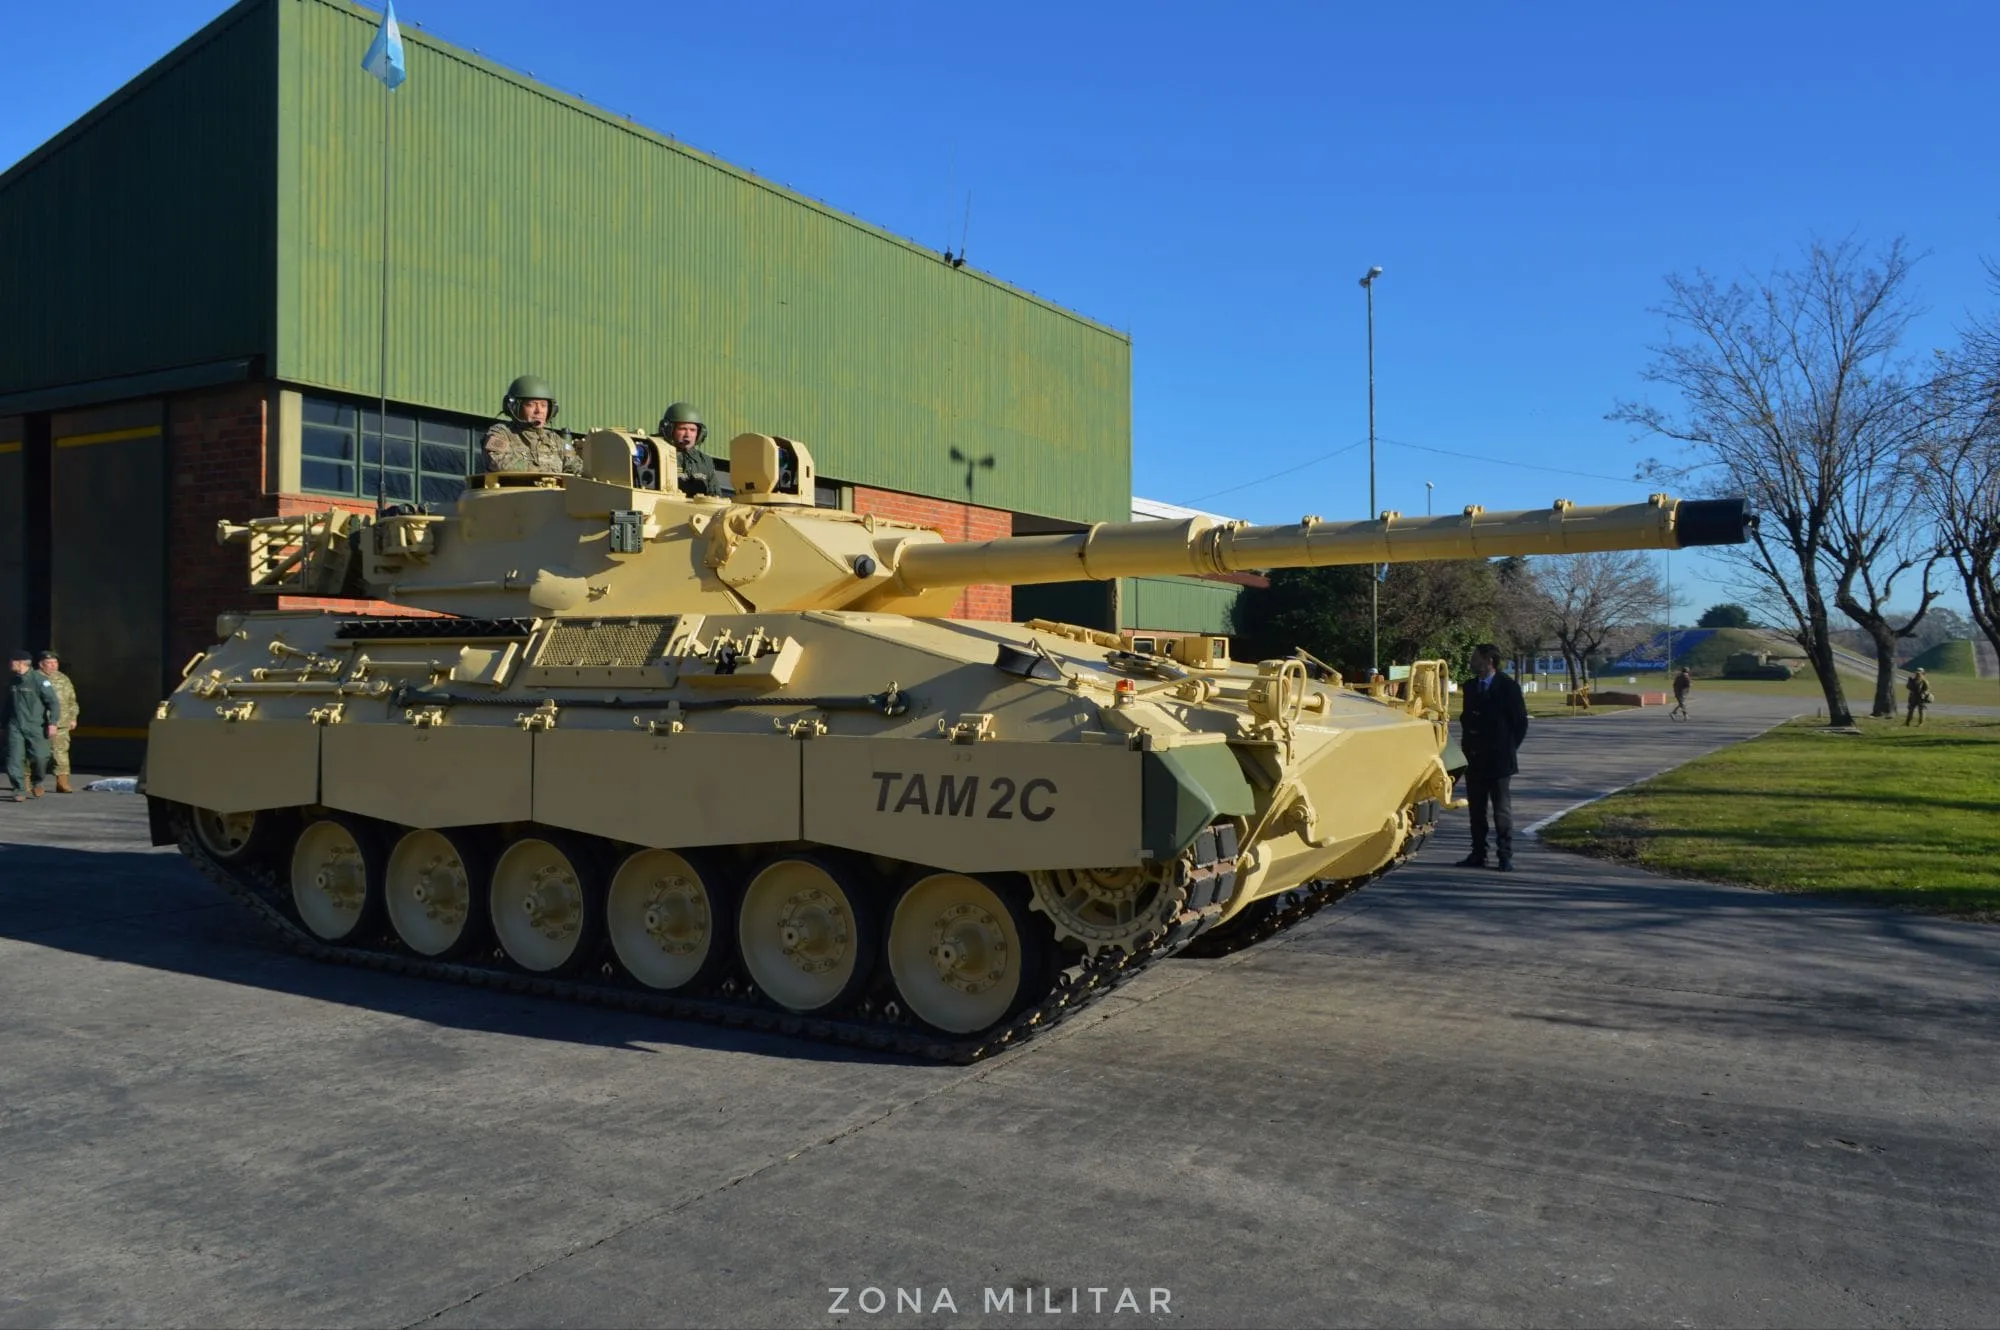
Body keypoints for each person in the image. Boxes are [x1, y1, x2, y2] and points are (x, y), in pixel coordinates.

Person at [1455, 643, 1529, 871]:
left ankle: (1505, 856)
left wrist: (1507, 748)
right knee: (1476, 811)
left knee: (1501, 811)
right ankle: (1478, 854)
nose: (1471, 661)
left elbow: (1520, 723)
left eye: (1475, 657)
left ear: (1488, 660)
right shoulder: (1470, 687)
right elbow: (1467, 720)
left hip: (1499, 761)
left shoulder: (1508, 687)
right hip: (1475, 759)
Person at [482, 374, 581, 475]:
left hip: (553, 491)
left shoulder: (556, 441)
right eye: (531, 405)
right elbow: (498, 461)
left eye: (543, 405)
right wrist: (538, 471)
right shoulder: (502, 434)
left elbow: (575, 466)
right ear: (515, 407)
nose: (539, 411)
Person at [4, 650, 61, 801]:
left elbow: (53, 703)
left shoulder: (39, 680)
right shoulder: (13, 681)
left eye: (12, 661)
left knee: (40, 757)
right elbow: (7, 705)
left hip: (36, 726)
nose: (9, 664)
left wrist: (53, 723)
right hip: (15, 726)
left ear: (20, 663)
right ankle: (19, 789)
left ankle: (38, 781)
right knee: (13, 759)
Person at [37, 649, 78, 793]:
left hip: (61, 723)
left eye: (55, 663)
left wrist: (73, 717)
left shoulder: (63, 679)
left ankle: (62, 782)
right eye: (49, 663)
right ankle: (34, 783)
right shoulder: (34, 679)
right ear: (41, 664)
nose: (53, 666)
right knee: (36, 755)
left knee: (60, 753)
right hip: (39, 724)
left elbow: (72, 701)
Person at [658, 401, 720, 496]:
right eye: (682, 429)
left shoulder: (705, 462)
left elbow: (715, 497)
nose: (688, 435)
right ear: (669, 429)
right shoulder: (657, 454)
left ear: (700, 433)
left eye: (692, 430)